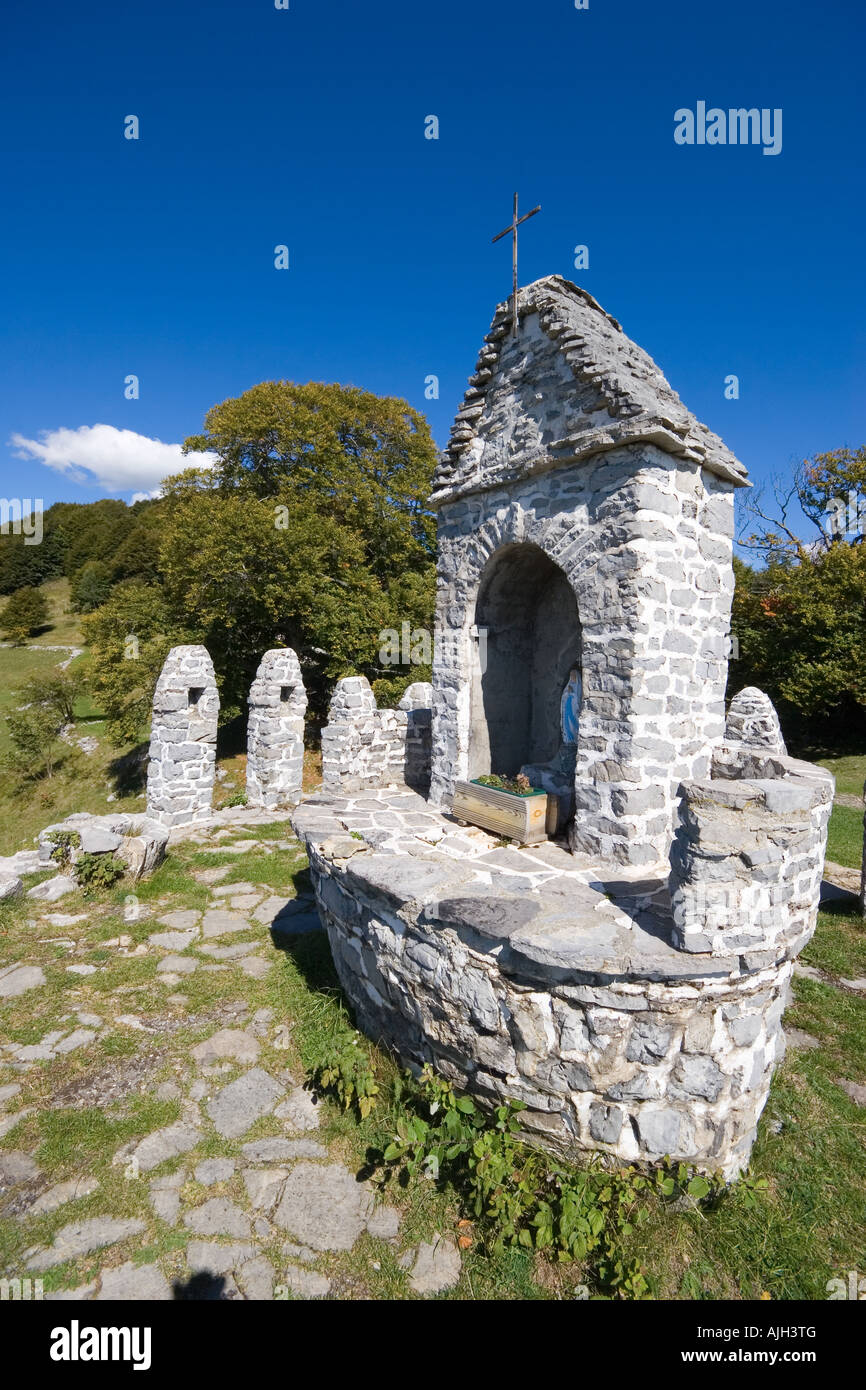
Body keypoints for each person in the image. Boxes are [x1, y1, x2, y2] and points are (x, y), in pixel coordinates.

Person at [560, 666, 582, 745]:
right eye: (571, 675)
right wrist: (568, 693)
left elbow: (578, 697)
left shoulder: (578, 685)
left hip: (573, 708)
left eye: (573, 675)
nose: (572, 677)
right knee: (567, 723)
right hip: (567, 708)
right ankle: (568, 739)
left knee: (573, 722)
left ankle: (575, 739)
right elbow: (564, 697)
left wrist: (571, 693)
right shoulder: (569, 685)